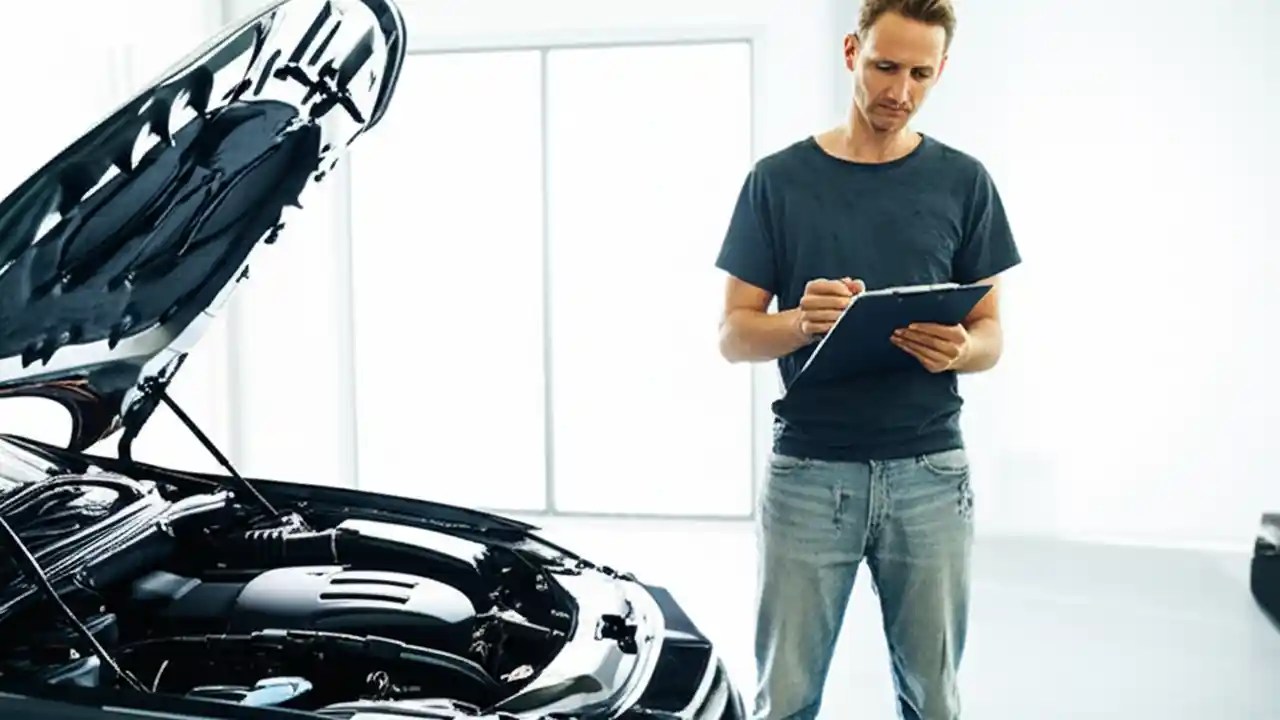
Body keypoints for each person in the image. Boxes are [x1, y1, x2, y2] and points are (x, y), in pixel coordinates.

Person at [714, 1, 1021, 718]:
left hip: (931, 477)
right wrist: (797, 323)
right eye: (885, 66)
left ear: (941, 70)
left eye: (920, 73)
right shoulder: (778, 181)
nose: (900, 91)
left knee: (934, 701)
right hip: (809, 477)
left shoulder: (964, 182)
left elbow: (992, 335)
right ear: (851, 52)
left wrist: (962, 347)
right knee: (784, 701)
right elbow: (733, 334)